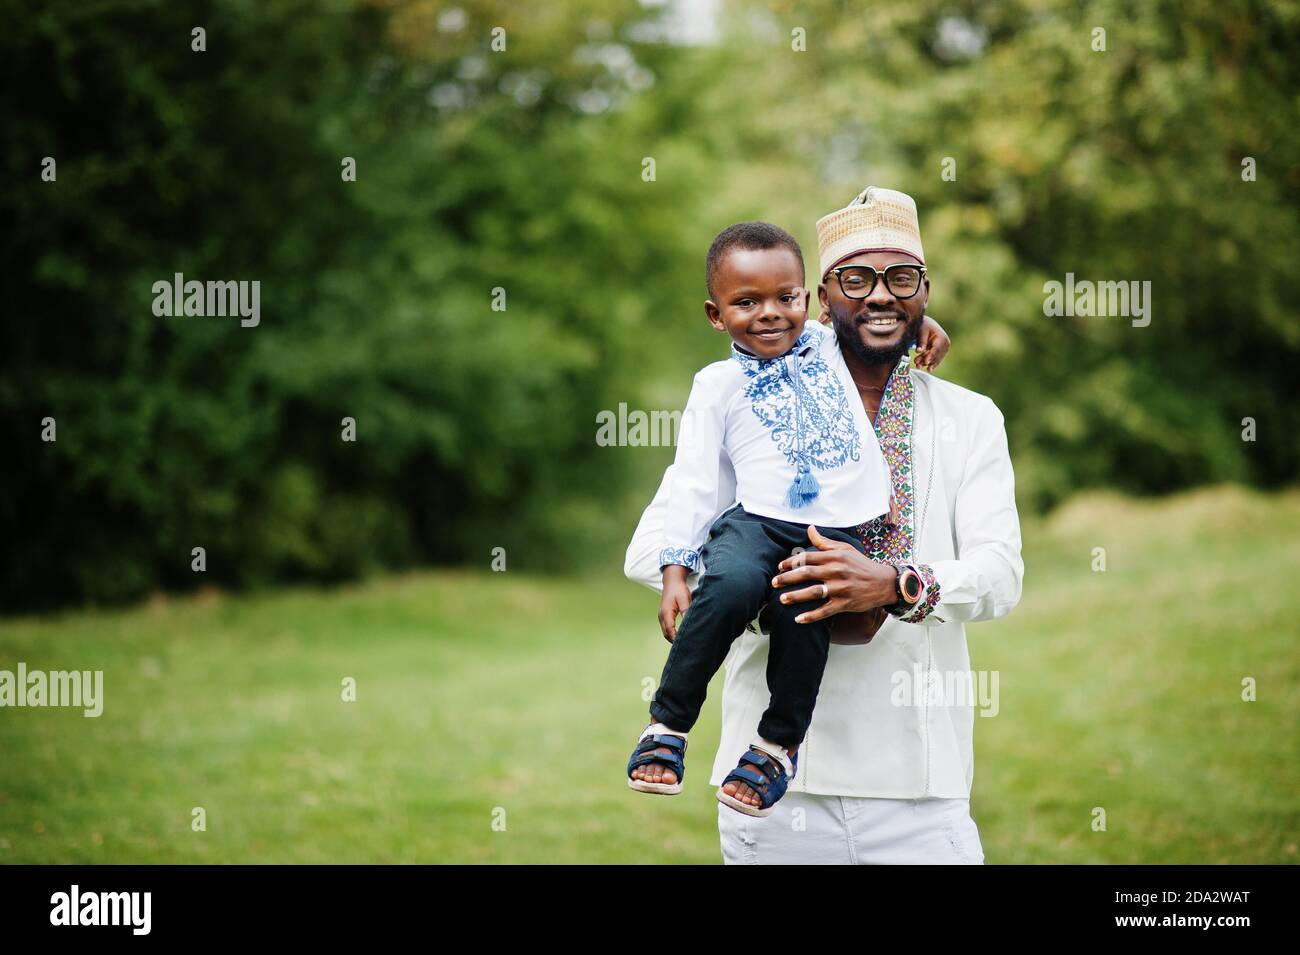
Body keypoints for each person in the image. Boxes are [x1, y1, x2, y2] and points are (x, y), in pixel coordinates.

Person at [625, 186, 1023, 862]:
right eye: (856, 280)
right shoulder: (757, 390)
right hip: (773, 800)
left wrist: (893, 583)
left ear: (927, 290)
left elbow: (1001, 576)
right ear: (826, 296)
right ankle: (693, 728)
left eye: (901, 280)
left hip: (919, 786)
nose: (878, 298)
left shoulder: (969, 416)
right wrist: (758, 579)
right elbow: (653, 545)